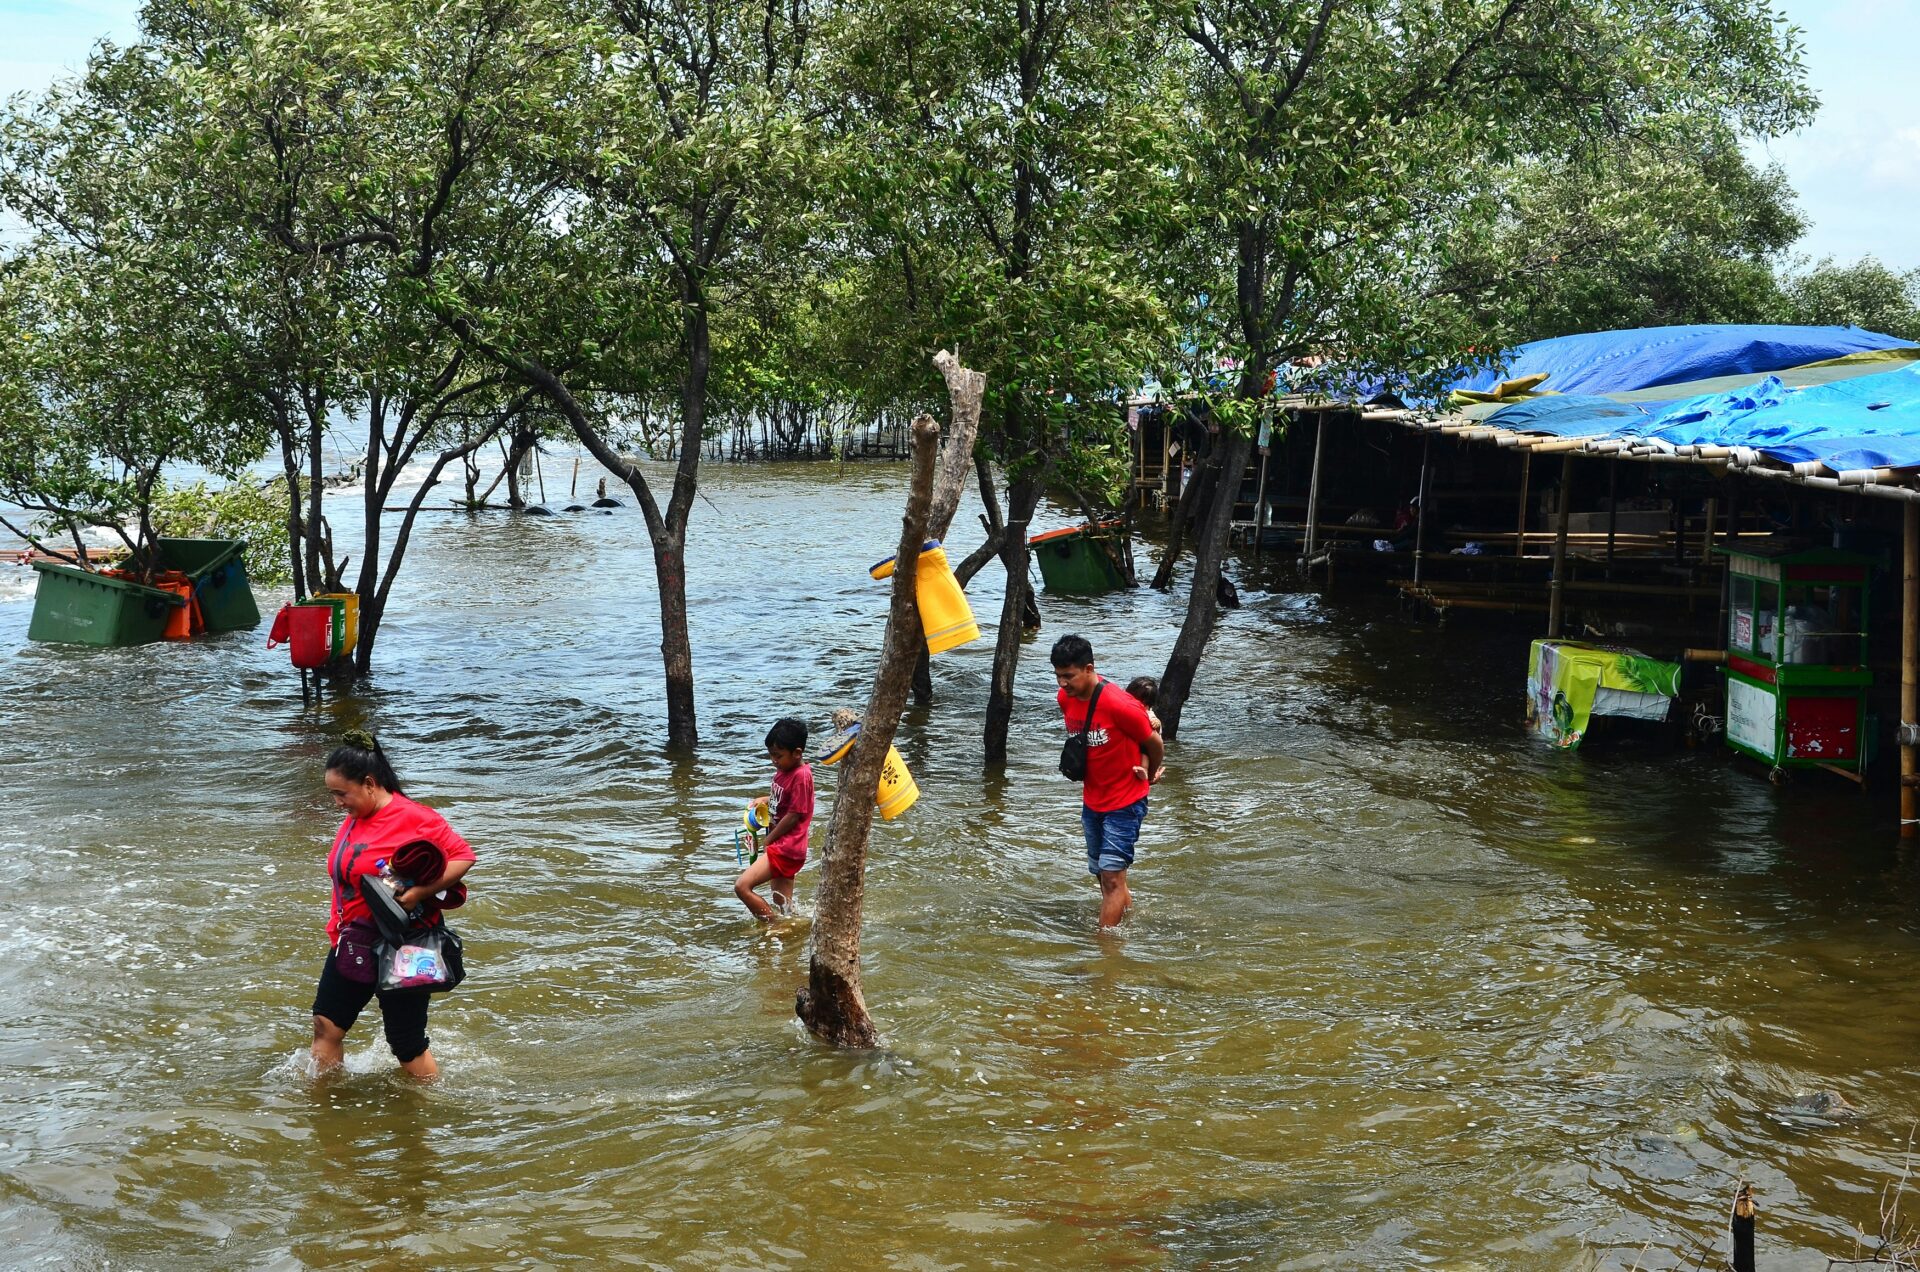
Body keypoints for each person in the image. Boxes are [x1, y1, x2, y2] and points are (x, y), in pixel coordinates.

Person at [312, 729, 475, 1082]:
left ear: (369, 783)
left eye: (342, 793)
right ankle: (324, 1113)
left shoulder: (416, 817)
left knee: (406, 1044)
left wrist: (418, 893)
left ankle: (428, 1115)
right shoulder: (356, 817)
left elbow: (463, 856)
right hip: (352, 940)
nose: (337, 803)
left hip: (406, 943)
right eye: (333, 795)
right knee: (326, 1026)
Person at [1052, 635, 1164, 928]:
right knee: (1104, 877)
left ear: (1089, 669)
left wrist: (1149, 775)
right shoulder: (1066, 698)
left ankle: (1104, 954)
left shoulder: (1120, 705)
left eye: (1068, 676)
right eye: (1058, 676)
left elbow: (1154, 743)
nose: (1062, 684)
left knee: (1113, 877)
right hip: (1093, 799)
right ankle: (1128, 922)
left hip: (1125, 801)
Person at [734, 717, 814, 921]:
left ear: (797, 753)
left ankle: (774, 926)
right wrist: (765, 800)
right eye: (771, 755)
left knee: (742, 887)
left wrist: (770, 839)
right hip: (783, 845)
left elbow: (795, 814)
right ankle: (792, 930)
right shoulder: (784, 771)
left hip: (786, 847)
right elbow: (785, 801)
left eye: (778, 756)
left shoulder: (801, 776)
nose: (774, 761)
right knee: (782, 903)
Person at [1124, 676, 1168, 785]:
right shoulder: (1123, 710)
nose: (1140, 705)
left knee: (1144, 755)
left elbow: (1157, 731)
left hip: (1144, 747)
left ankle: (1144, 771)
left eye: (1144, 703)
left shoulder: (1149, 714)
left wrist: (1157, 724)